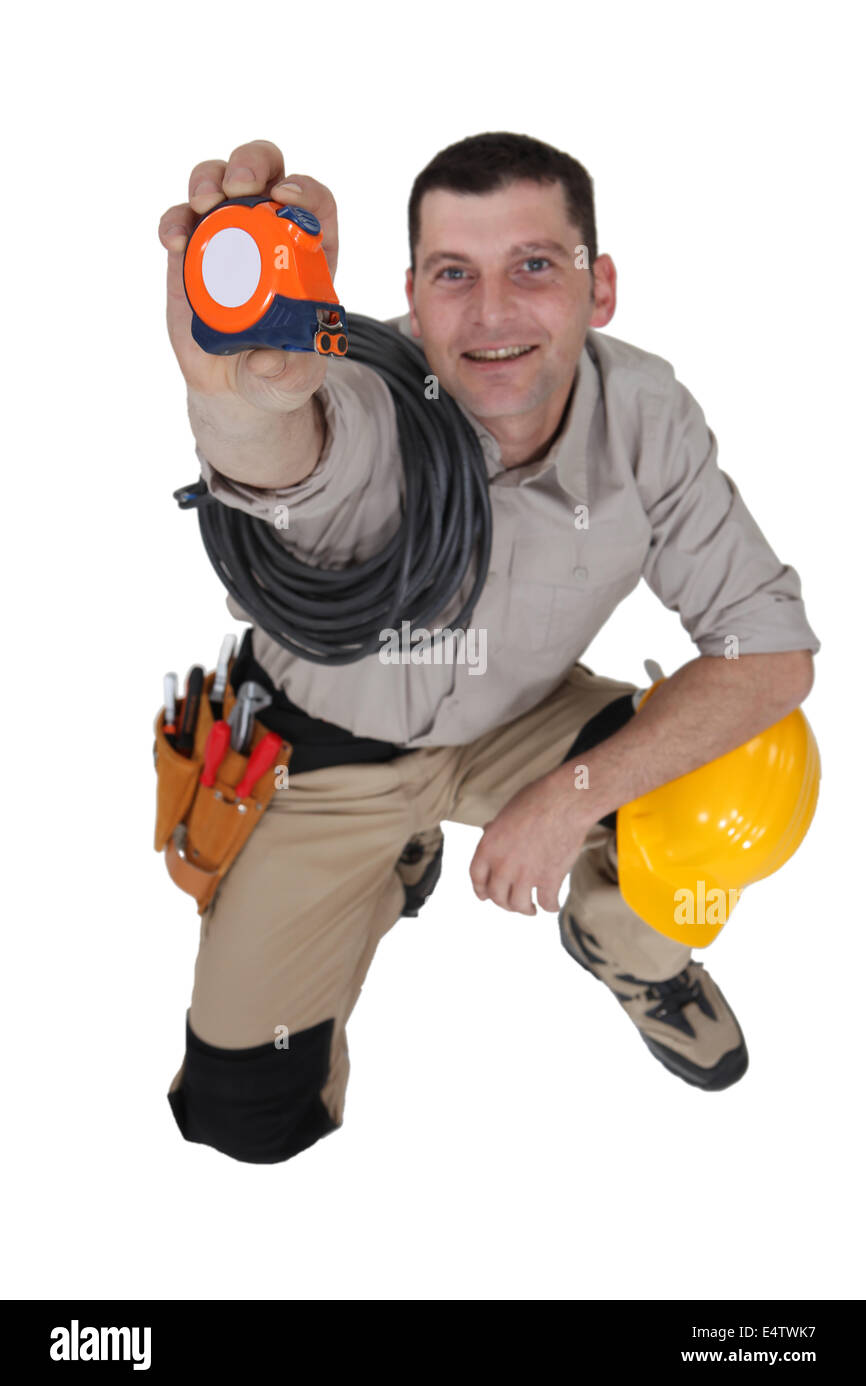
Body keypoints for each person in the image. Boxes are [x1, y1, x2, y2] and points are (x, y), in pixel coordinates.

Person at [156, 132, 819, 1164]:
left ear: (597, 287)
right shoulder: (362, 397)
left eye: (534, 267)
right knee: (247, 1114)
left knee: (756, 756)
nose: (493, 313)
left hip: (514, 724)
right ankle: (387, 865)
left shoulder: (642, 414)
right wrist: (237, 394)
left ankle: (625, 935)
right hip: (325, 758)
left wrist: (572, 795)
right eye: (453, 274)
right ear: (410, 298)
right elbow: (283, 455)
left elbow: (768, 654)